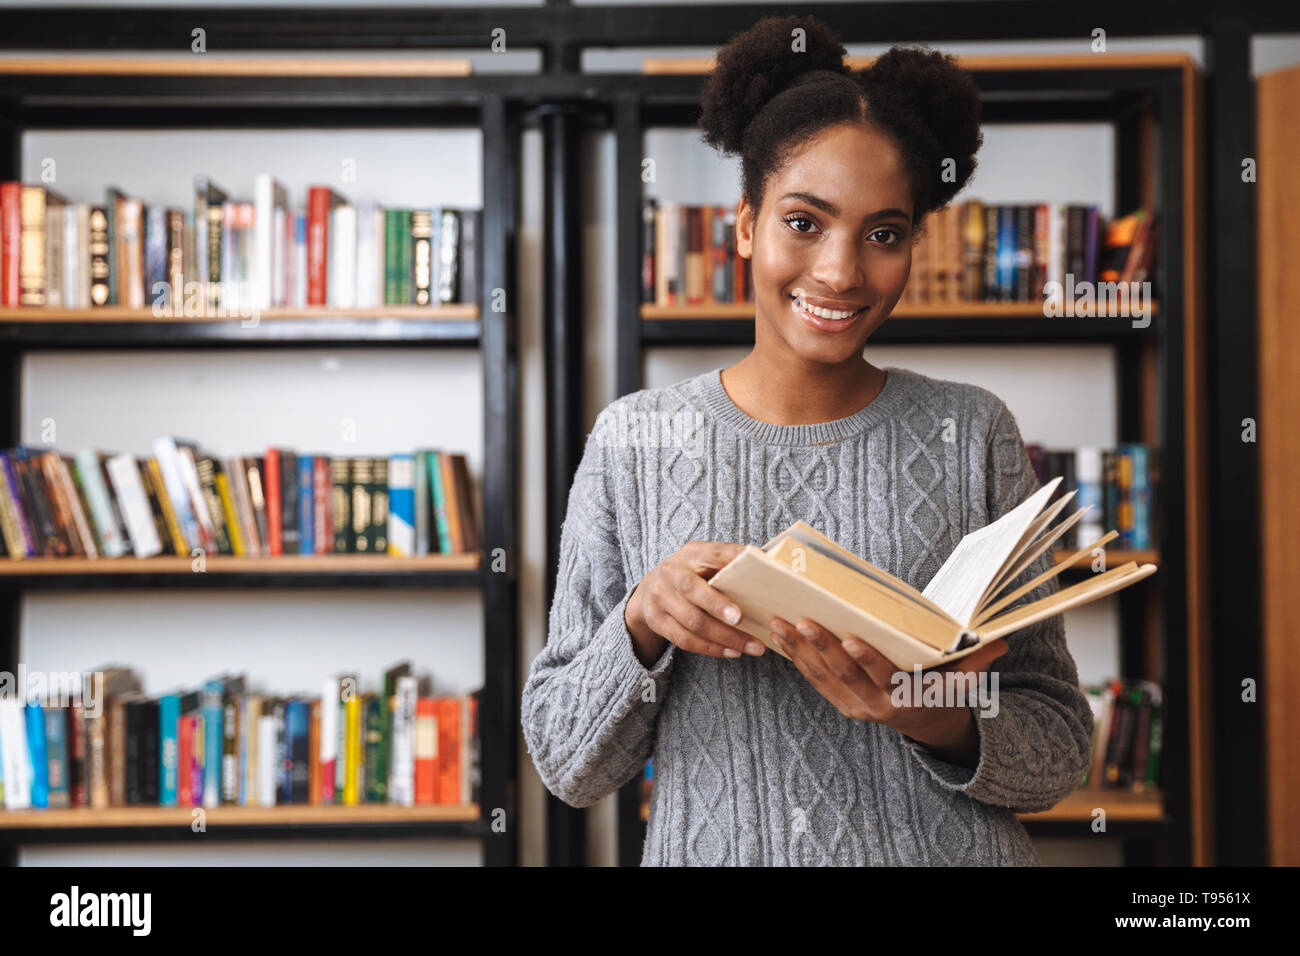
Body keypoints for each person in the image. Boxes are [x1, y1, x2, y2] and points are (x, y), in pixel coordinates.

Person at [522, 13, 1093, 866]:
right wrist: (641, 622)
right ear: (746, 224)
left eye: (883, 234)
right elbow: (568, 763)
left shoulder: (972, 431)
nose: (840, 271)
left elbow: (1059, 749)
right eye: (803, 222)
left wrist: (922, 711)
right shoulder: (634, 439)